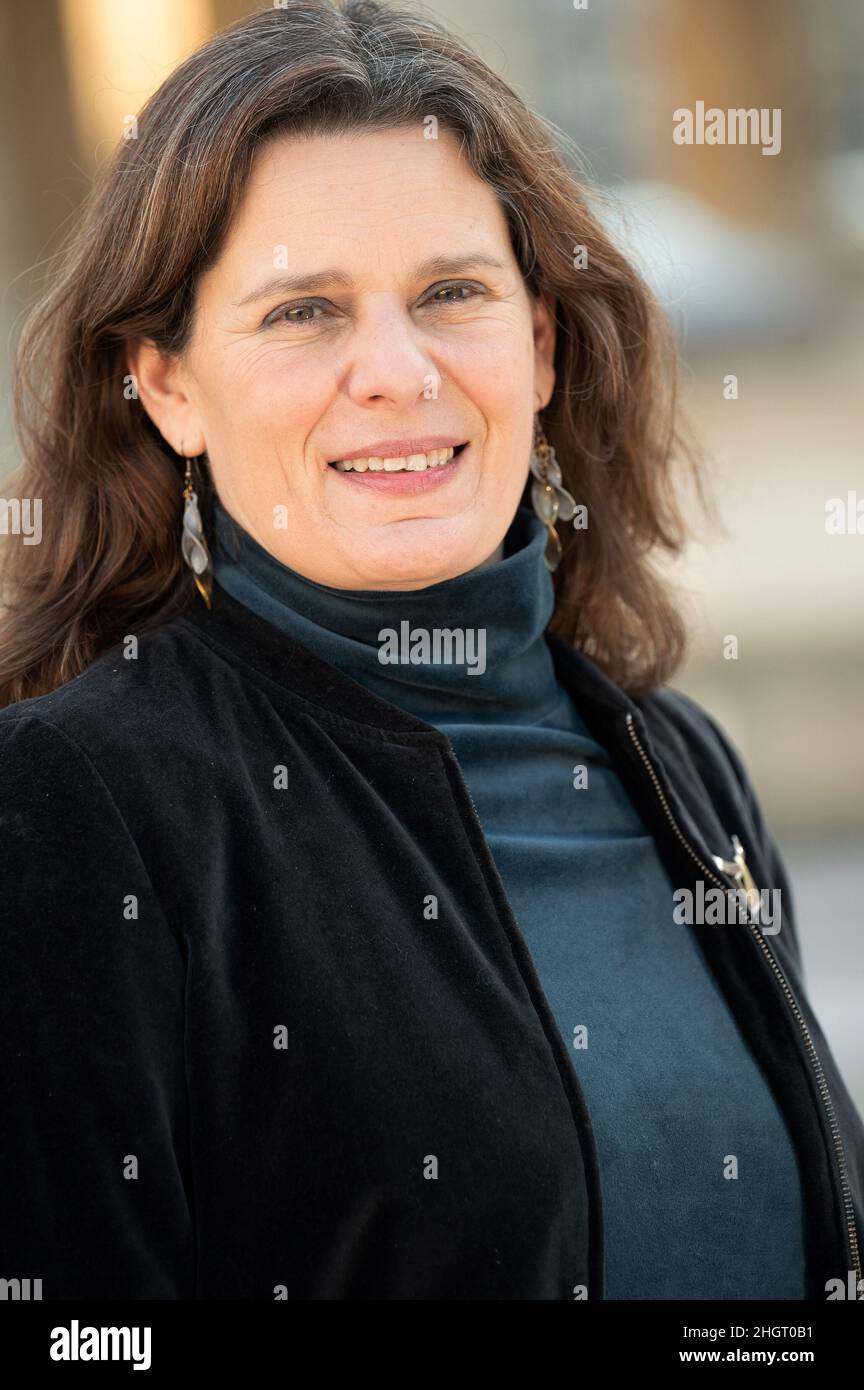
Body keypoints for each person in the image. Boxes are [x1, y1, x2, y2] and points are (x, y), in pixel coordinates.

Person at [0, 0, 861, 1301]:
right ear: (166, 386)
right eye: (304, 312)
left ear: (542, 343)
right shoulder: (78, 808)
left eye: (452, 292)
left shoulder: (678, 767)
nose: (396, 372)